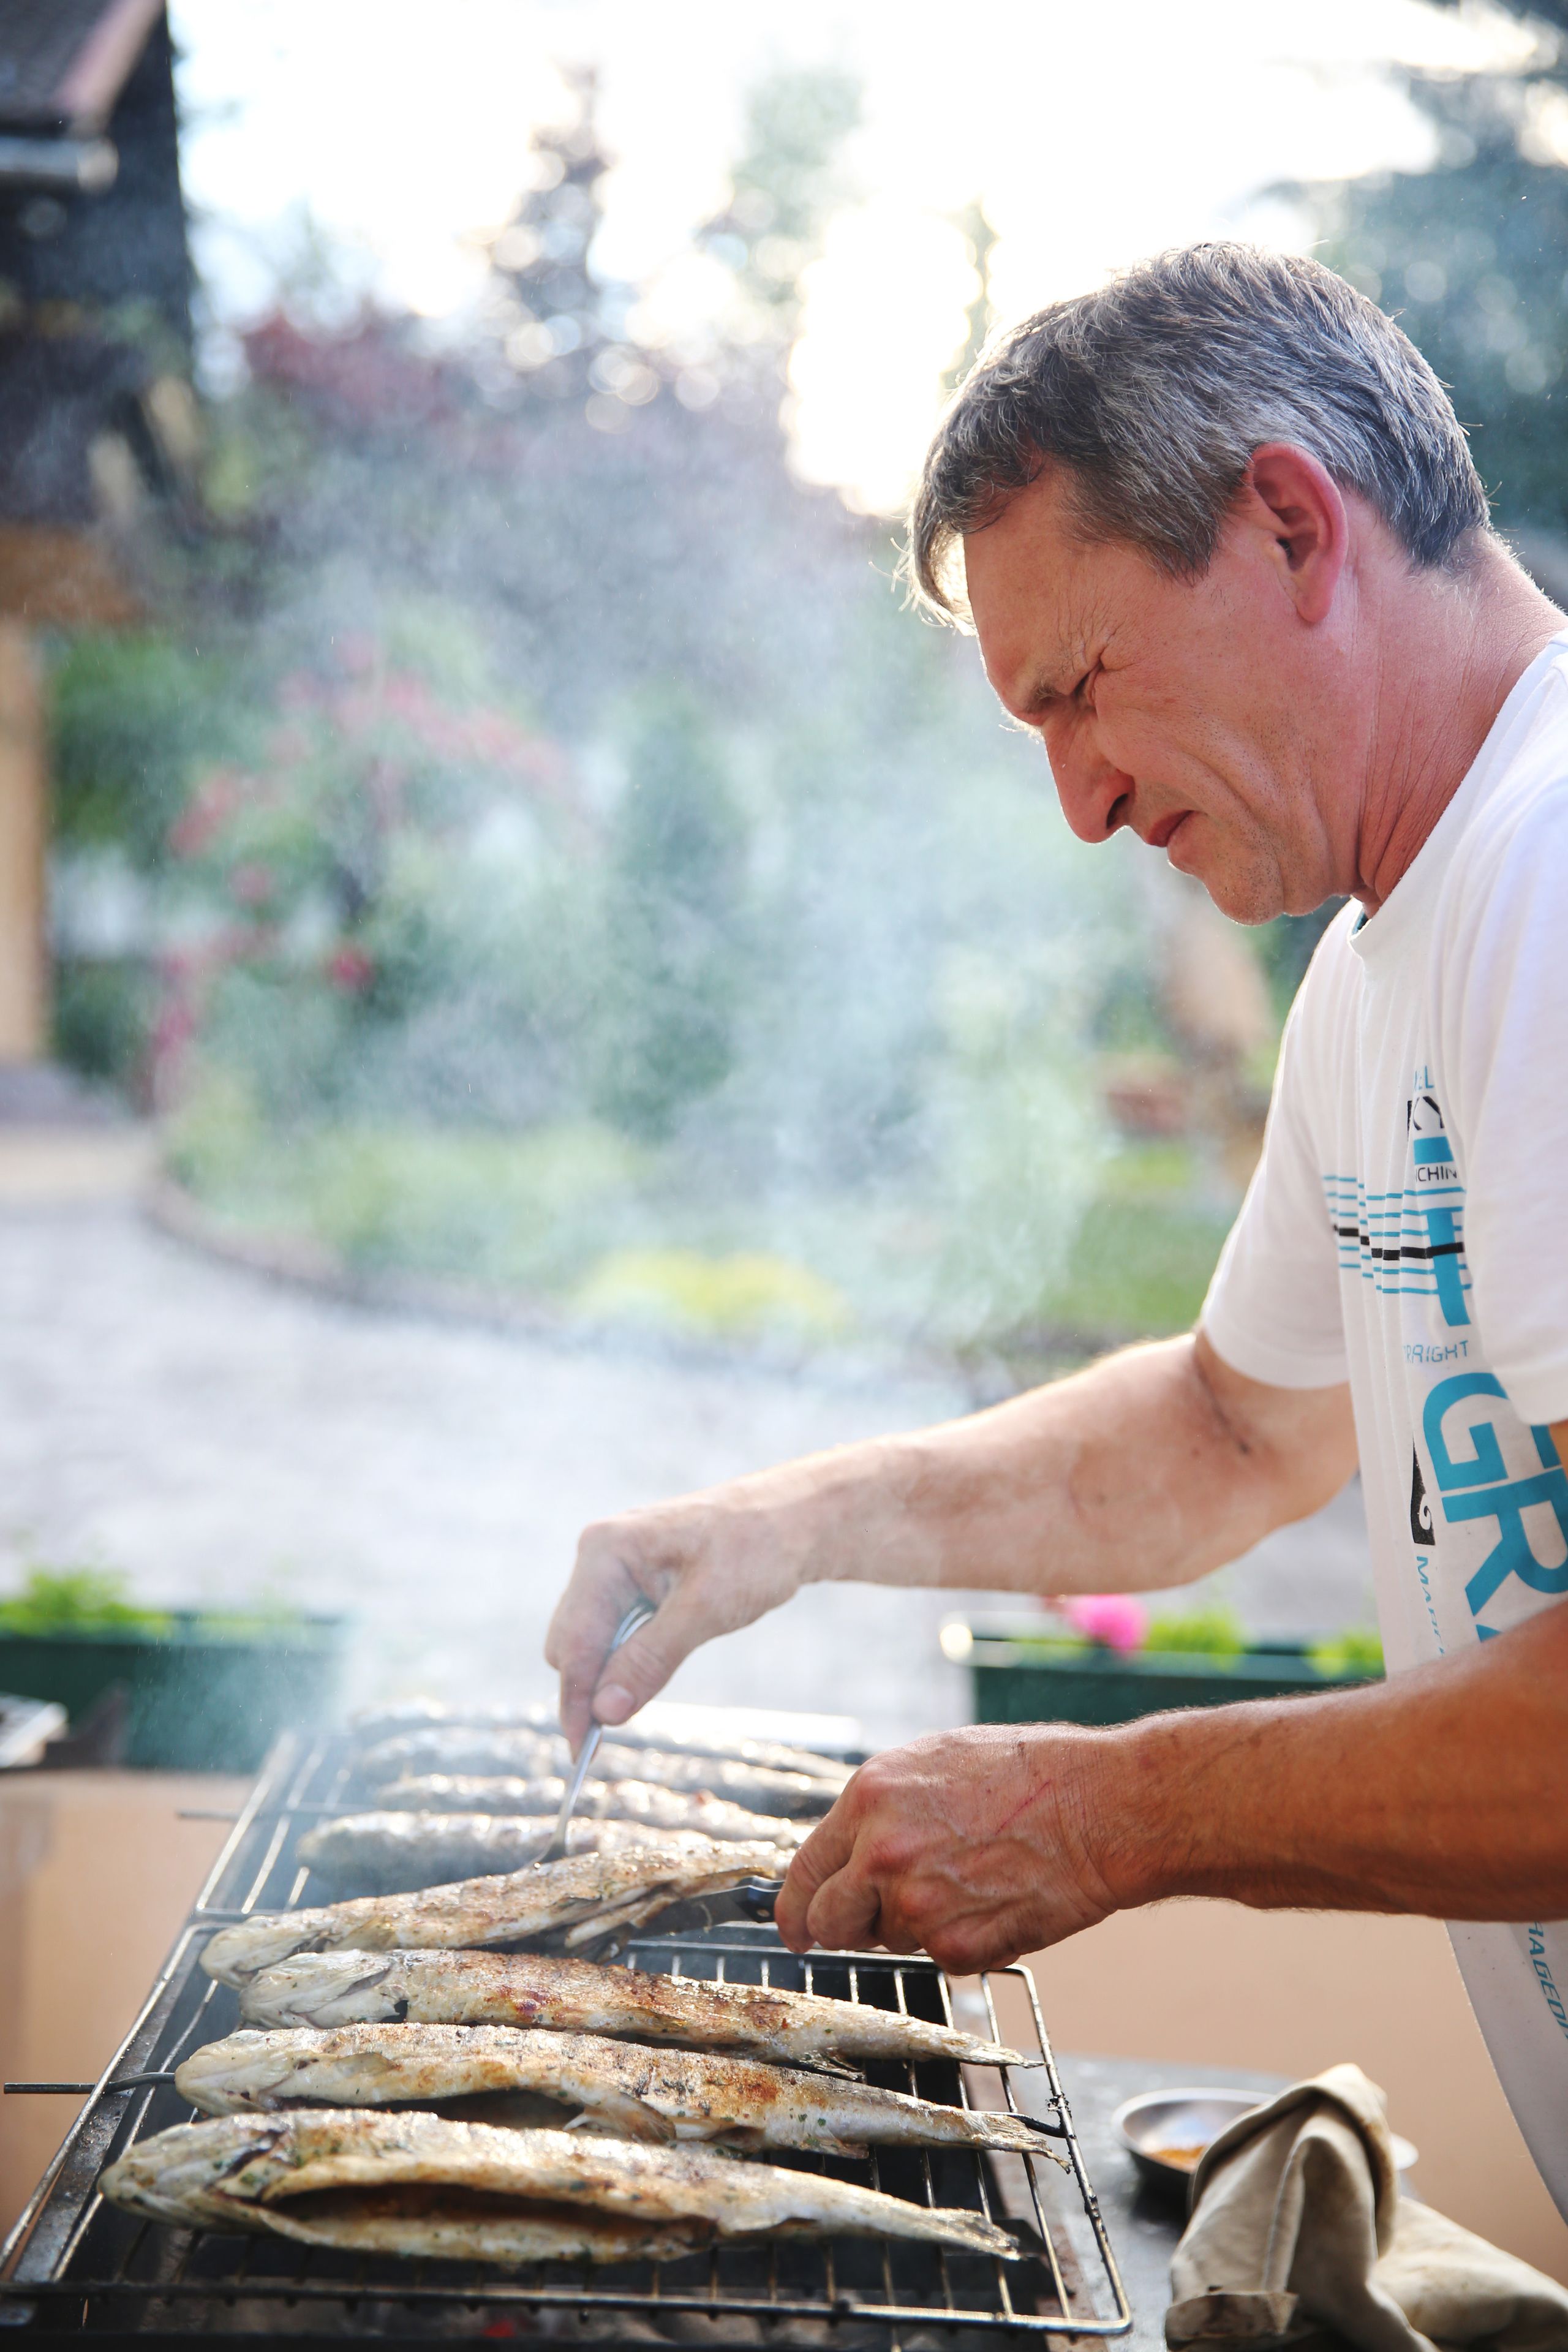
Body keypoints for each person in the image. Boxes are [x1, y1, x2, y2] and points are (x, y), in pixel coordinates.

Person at [548, 244, 1568, 2213]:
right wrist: (781, 1531)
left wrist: (1109, 1814)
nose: (1081, 807)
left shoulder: (1550, 880)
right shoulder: (1384, 965)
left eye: (1081, 690)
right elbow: (1222, 1433)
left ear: (1290, 523)